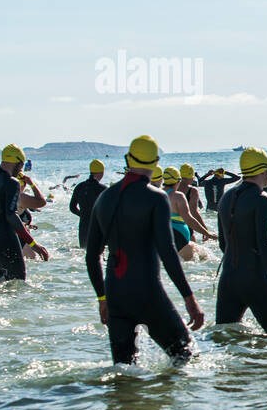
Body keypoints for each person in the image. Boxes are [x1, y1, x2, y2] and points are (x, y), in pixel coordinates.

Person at [84, 135, 204, 364]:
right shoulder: (156, 198)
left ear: (129, 159)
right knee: (187, 357)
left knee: (124, 369)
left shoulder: (104, 198)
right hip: (148, 292)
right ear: (155, 163)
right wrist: (189, 298)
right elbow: (168, 253)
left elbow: (91, 257)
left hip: (115, 294)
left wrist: (102, 298)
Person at [216, 148, 267, 331]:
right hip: (255, 279)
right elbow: (266, 245)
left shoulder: (226, 197)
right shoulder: (263, 199)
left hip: (228, 279)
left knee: (228, 338)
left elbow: (222, 243)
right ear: (265, 170)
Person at [0, 144, 49, 282]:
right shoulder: (12, 182)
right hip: (5, 240)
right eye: (21, 165)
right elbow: (10, 215)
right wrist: (34, 245)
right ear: (17, 162)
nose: (21, 169)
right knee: (18, 286)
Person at [163, 167, 213, 259]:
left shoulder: (158, 194)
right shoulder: (178, 196)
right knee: (205, 258)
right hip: (180, 238)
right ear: (178, 180)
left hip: (162, 237)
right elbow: (189, 219)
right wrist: (207, 233)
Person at [68, 159, 108, 249]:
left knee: (84, 251)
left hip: (83, 226)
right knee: (99, 255)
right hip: (98, 227)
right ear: (102, 172)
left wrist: (82, 215)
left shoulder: (79, 187)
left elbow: (72, 207)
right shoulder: (103, 189)